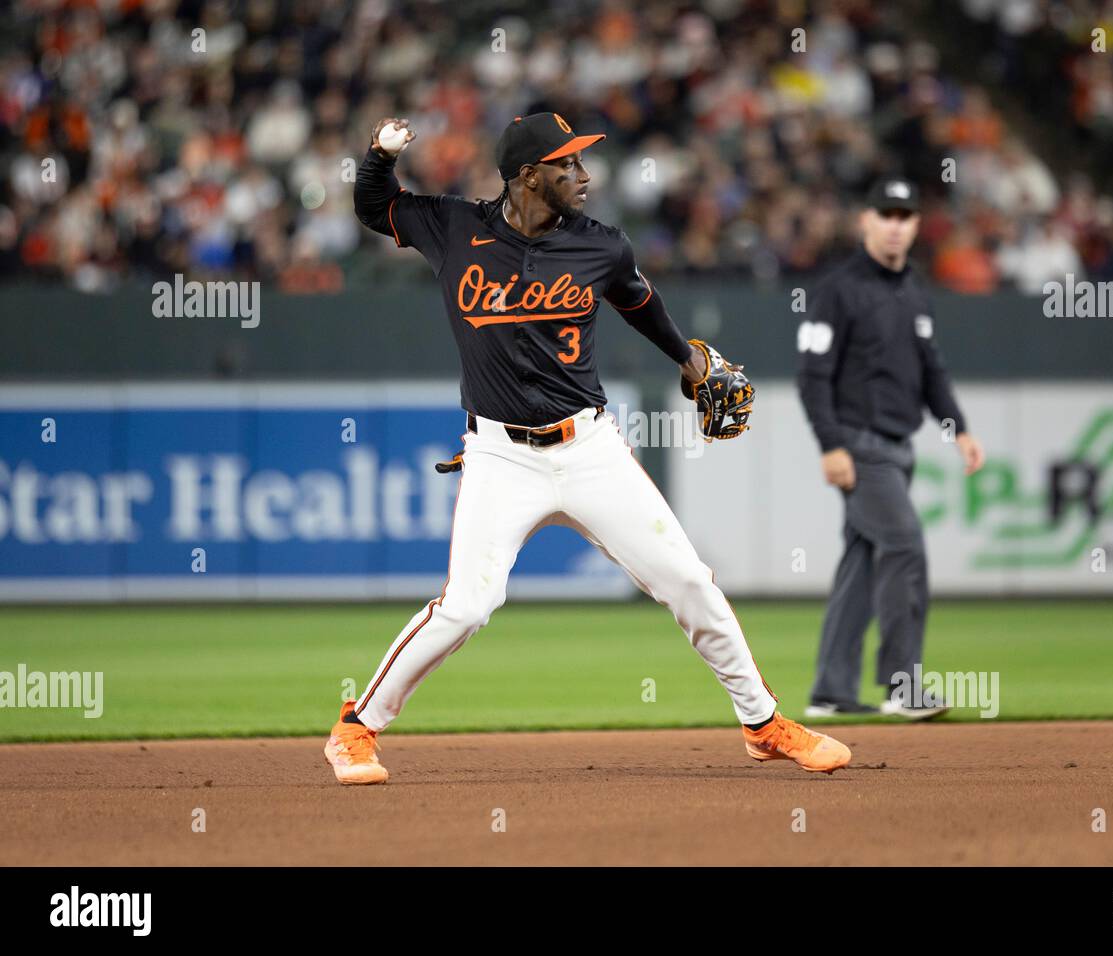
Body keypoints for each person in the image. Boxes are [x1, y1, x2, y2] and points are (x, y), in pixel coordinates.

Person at [324, 113, 852, 783]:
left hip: (589, 448)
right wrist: (377, 153)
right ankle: (356, 728)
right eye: (567, 164)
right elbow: (374, 207)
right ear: (528, 176)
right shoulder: (453, 226)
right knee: (467, 605)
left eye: (581, 162)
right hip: (500, 456)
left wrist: (689, 360)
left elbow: (642, 306)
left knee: (689, 580)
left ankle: (762, 724)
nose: (583, 174)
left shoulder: (601, 246)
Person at [796, 176, 985, 720]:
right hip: (860, 448)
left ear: (916, 225)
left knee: (862, 561)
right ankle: (902, 686)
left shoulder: (914, 290)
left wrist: (959, 429)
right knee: (904, 546)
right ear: (865, 221)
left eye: (905, 215)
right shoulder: (838, 290)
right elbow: (812, 375)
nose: (896, 225)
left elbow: (932, 373)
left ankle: (831, 690)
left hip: (900, 449)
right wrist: (831, 445)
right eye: (886, 214)